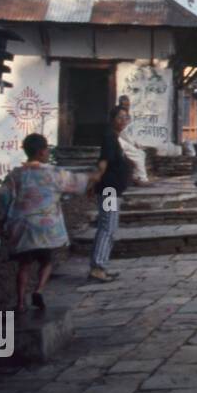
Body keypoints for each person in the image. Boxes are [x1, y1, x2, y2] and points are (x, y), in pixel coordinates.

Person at [0, 133, 98, 312]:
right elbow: (77, 182)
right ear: (42, 152)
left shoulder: (15, 175)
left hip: (23, 225)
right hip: (46, 226)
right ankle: (39, 290)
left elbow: (2, 198)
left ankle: (19, 303)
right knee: (47, 261)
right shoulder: (54, 174)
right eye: (47, 149)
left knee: (24, 265)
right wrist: (97, 175)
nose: (48, 152)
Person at [89, 105, 134, 282]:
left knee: (110, 226)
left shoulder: (116, 138)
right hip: (108, 190)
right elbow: (103, 163)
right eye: (120, 117)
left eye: (126, 118)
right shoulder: (109, 138)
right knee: (107, 226)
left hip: (113, 189)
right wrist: (93, 182)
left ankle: (101, 265)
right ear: (112, 119)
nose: (123, 121)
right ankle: (98, 267)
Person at [116, 94, 151, 185]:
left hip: (125, 139)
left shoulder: (127, 115)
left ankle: (136, 177)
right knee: (137, 155)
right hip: (117, 139)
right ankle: (142, 179)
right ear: (120, 104)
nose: (126, 107)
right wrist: (132, 143)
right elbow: (122, 131)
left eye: (128, 105)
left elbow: (128, 132)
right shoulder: (119, 114)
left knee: (141, 153)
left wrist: (136, 143)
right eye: (124, 105)